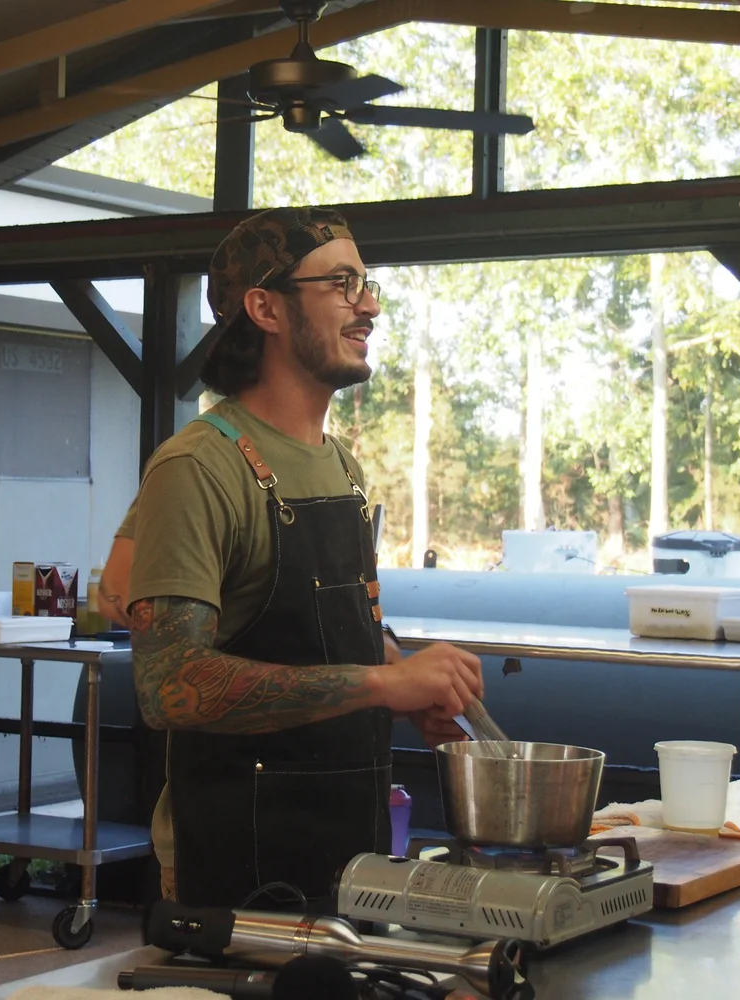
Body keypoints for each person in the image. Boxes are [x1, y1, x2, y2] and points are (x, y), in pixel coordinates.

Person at [99, 206, 482, 910]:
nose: (368, 306)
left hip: (349, 851)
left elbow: (327, 636)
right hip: (237, 860)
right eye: (342, 284)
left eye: (368, 284)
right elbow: (171, 685)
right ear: (264, 307)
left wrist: (403, 674)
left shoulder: (344, 466)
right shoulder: (200, 466)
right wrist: (377, 687)